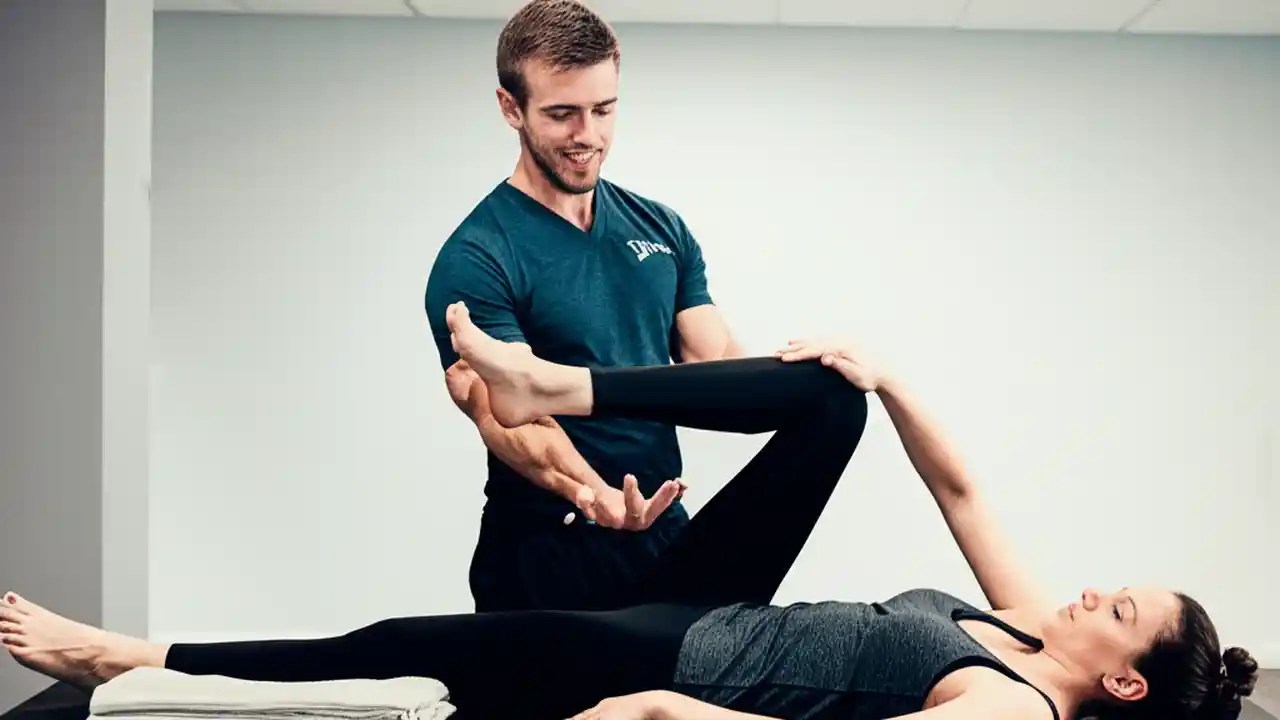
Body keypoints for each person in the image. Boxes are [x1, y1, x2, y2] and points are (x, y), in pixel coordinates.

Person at [2, 304, 1258, 720]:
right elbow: (962, 488)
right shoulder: (1030, 627)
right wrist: (890, 377)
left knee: (412, 638)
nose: (1096, 591)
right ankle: (558, 385)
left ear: (1131, 682)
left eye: (1122, 608)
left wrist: (673, 708)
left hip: (680, 655)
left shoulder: (1010, 704)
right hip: (721, 603)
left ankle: (128, 653)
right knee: (829, 403)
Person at [423, 0, 745, 613]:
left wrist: (802, 371)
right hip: (549, 549)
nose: (588, 136)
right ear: (510, 108)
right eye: (563, 114)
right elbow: (507, 416)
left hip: (661, 528)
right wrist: (593, 494)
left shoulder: (660, 227)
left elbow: (716, 357)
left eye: (603, 110)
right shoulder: (477, 257)